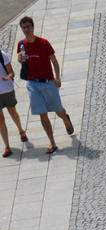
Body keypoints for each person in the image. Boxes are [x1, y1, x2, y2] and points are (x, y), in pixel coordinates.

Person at [16, 17, 73, 150]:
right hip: (33, 84)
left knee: (58, 110)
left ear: (33, 27)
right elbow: (22, 60)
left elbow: (54, 61)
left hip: (48, 82)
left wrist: (57, 78)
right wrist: (19, 59)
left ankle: (65, 119)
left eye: (28, 26)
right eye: (24, 27)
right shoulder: (21, 45)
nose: (26, 29)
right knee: (43, 113)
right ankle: (52, 143)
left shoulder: (43, 43)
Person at [0, 43, 31, 156]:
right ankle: (7, 147)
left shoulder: (2, 55)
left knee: (12, 112)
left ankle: (21, 130)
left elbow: (11, 72)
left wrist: (8, 77)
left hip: (7, 90)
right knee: (0, 120)